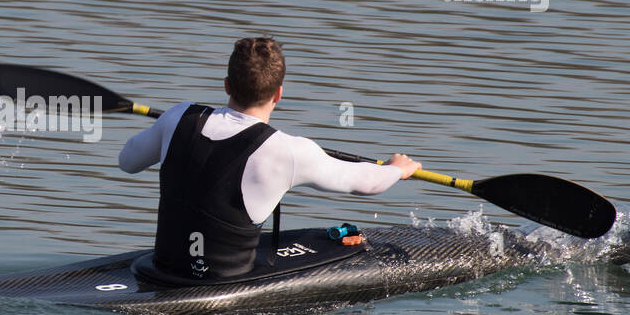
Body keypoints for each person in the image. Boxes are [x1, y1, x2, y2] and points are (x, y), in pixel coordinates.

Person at [118, 36, 421, 280]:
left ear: (226, 85)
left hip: (161, 270)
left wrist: (167, 130)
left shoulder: (179, 116)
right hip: (226, 283)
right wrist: (397, 169)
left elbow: (127, 162)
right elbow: (366, 184)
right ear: (278, 94)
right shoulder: (287, 151)